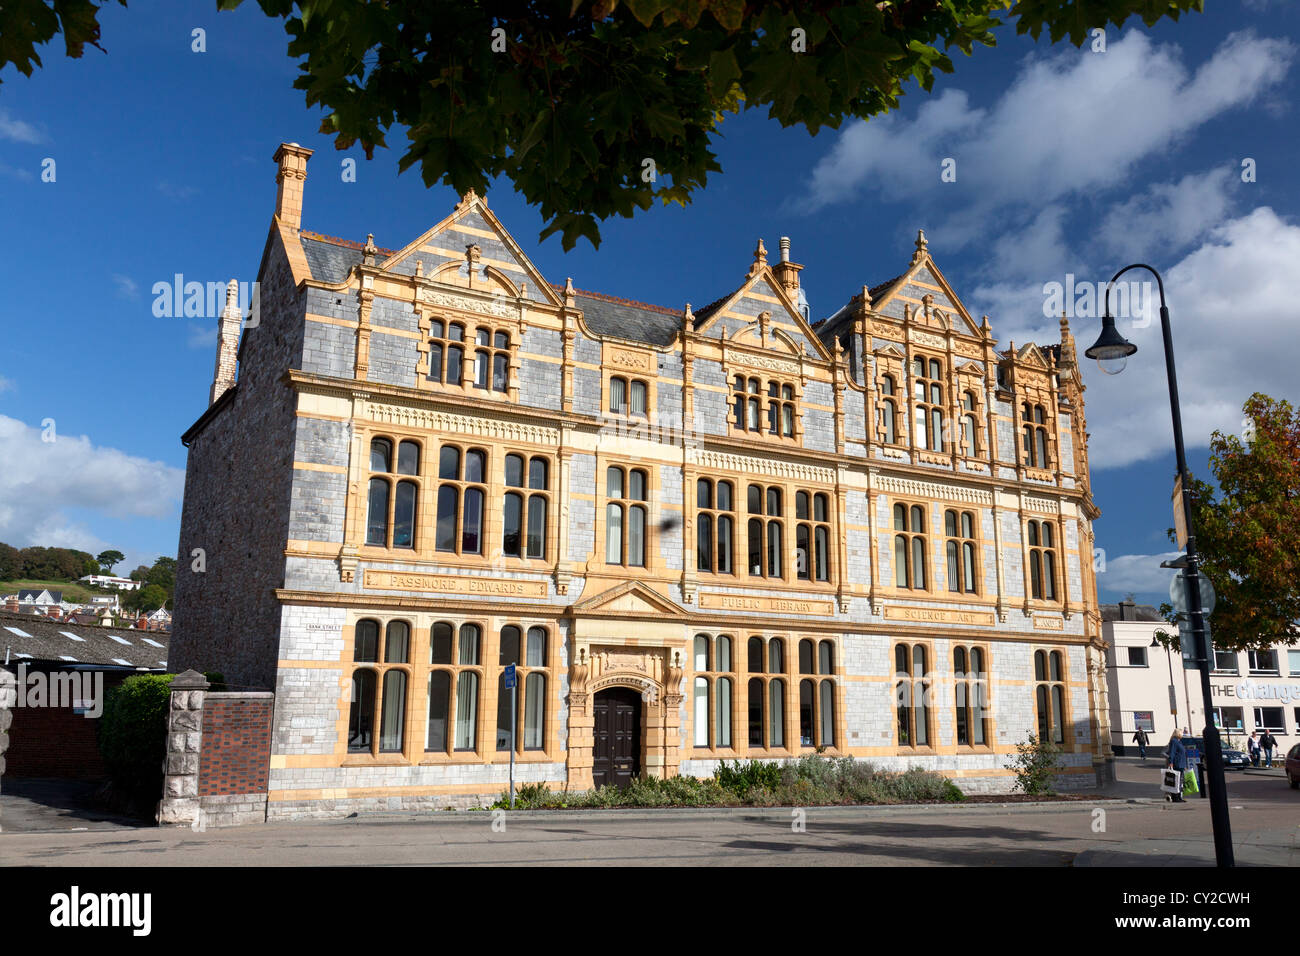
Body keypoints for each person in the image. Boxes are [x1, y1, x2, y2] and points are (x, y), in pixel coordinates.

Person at [1166, 729, 1187, 802]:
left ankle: (1179, 797)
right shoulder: (1174, 741)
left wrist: (1184, 765)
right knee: (1176, 782)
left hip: (1181, 764)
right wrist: (1171, 762)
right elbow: (1172, 752)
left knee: (1179, 782)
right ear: (1178, 734)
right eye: (1182, 733)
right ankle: (1175, 798)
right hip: (1177, 763)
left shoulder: (1179, 741)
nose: (1182, 735)